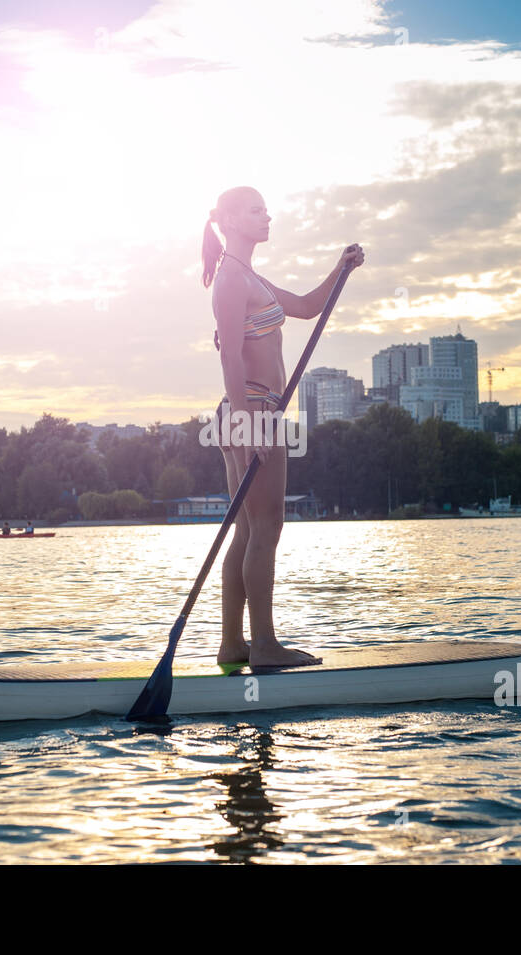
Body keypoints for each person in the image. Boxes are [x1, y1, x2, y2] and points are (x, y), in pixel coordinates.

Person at [202, 186, 364, 668]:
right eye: (255, 210)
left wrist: (342, 268)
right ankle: (266, 647)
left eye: (266, 209)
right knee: (267, 527)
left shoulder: (251, 277)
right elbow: (230, 355)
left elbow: (309, 307)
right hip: (251, 412)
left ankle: (233, 645)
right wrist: (252, 427)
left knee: (247, 531)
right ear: (229, 220)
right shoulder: (230, 279)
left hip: (248, 413)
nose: (266, 216)